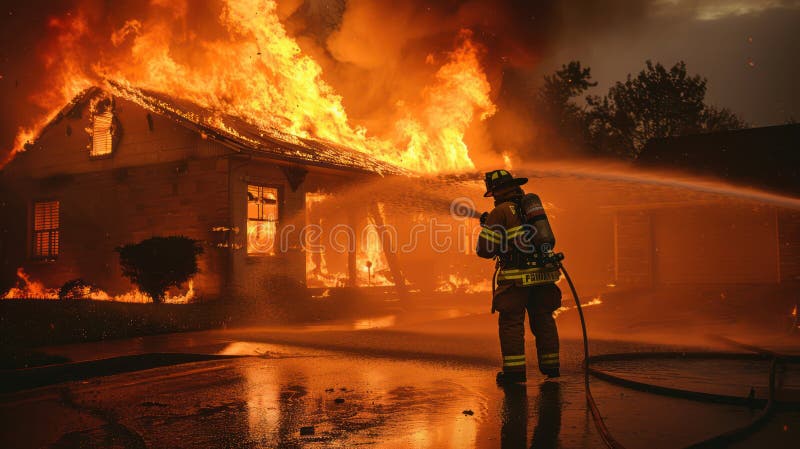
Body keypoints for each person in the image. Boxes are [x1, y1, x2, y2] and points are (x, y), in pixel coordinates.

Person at [476, 170, 562, 384]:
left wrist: (490, 227)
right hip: (543, 276)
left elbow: (485, 250)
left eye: (494, 192)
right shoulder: (529, 208)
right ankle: (552, 368)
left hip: (516, 279)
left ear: (497, 191)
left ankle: (514, 373)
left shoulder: (500, 211)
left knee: (511, 323)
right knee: (543, 319)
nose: (494, 197)